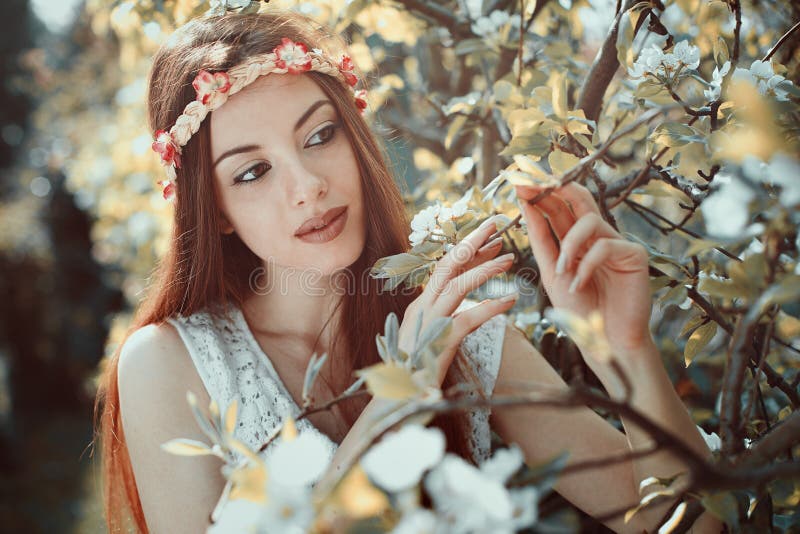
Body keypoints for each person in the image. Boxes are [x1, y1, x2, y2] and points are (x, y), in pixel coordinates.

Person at [93, 8, 722, 534]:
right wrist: (403, 389)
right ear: (218, 211)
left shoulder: (454, 320)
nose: (308, 187)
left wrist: (624, 351)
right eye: (252, 172)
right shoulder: (171, 365)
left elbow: (683, 522)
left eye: (319, 137)